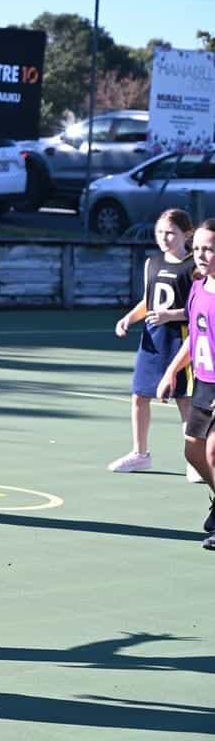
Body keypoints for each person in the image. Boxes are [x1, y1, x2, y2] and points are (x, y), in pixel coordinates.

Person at [110, 209, 197, 480]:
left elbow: (201, 309)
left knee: (185, 400)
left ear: (187, 234)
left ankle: (194, 459)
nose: (164, 237)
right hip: (152, 339)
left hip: (180, 339)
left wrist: (170, 315)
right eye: (160, 232)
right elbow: (149, 301)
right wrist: (129, 318)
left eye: (171, 232)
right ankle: (140, 454)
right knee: (139, 396)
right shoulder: (152, 263)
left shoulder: (195, 267)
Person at [156, 218, 215, 549]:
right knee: (193, 450)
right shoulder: (197, 287)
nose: (202, 255)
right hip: (204, 383)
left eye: (209, 249)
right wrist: (171, 372)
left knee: (213, 450)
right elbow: (195, 336)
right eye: (198, 249)